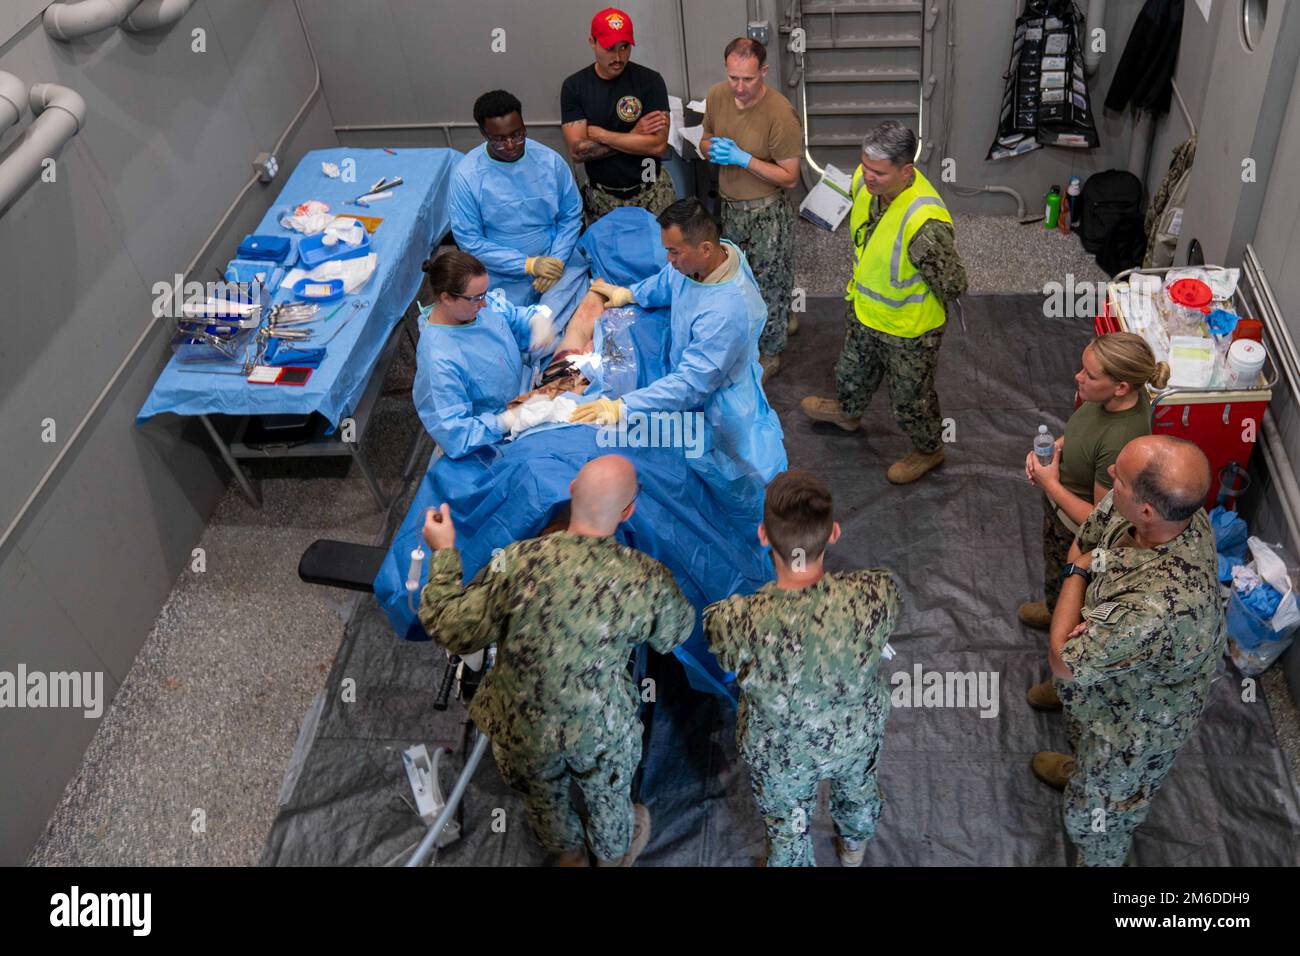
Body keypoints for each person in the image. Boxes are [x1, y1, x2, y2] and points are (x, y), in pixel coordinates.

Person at [417, 455, 696, 867]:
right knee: (609, 793)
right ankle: (611, 854)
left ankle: (568, 854)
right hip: (599, 728)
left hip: (522, 724)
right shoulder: (646, 578)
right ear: (627, 512)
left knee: (541, 794)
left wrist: (443, 553)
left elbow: (451, 627)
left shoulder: (515, 561)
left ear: (571, 491)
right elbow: (675, 633)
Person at [1033, 435, 1224, 867]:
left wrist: (1076, 573)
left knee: (1100, 814)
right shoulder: (1173, 514)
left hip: (1132, 727)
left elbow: (1063, 661)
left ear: (1148, 510)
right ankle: (1082, 769)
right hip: (1107, 683)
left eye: (1118, 479)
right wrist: (1084, 570)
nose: (1109, 477)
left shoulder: (1156, 607)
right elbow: (1087, 540)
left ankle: (1099, 856)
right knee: (1084, 738)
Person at [704, 470, 899, 867]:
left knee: (788, 826)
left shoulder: (733, 620)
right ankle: (853, 848)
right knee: (858, 790)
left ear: (763, 536)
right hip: (853, 735)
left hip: (781, 751)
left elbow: (724, 656)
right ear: (834, 533)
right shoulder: (875, 594)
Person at [565, 198, 787, 514]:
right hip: (696, 380)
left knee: (733, 478)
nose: (669, 260)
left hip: (722, 404)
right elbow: (670, 281)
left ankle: (749, 518)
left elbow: (691, 384)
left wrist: (623, 406)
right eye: (667, 250)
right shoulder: (711, 258)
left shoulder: (726, 312)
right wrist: (631, 294)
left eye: (674, 252)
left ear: (705, 248)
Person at [800, 120, 967, 485]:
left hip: (908, 330)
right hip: (865, 312)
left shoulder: (923, 223)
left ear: (906, 171)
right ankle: (848, 413)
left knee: (911, 399)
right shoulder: (865, 184)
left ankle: (928, 450)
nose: (868, 176)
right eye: (865, 166)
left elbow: (954, 284)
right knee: (851, 373)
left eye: (878, 172)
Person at [1022, 333, 1168, 711]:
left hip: (1076, 534)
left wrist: (1050, 484)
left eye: (1089, 374)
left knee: (1074, 607)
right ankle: (1054, 605)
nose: (1078, 377)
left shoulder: (1121, 441)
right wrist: (1058, 447)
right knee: (1056, 581)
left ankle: (1063, 686)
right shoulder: (1108, 400)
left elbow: (1098, 519)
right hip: (1060, 515)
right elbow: (1083, 431)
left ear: (1121, 387)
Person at [699, 37, 802, 382]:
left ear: (764, 71)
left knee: (771, 282)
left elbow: (790, 176)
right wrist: (710, 147)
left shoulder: (780, 113)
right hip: (731, 208)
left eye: (748, 79)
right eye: (733, 78)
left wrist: (745, 159)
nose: (739, 87)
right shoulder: (717, 96)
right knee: (740, 279)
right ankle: (777, 319)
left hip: (766, 213)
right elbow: (705, 137)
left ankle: (771, 351)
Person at [412, 251, 556, 458]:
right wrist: (505, 420)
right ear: (446, 298)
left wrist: (536, 321)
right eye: (477, 298)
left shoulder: (478, 305)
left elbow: (513, 317)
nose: (485, 303)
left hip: (525, 399)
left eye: (485, 294)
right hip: (493, 439)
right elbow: (455, 434)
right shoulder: (438, 360)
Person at [449, 89, 583, 306]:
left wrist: (556, 261)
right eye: (499, 140)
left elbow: (570, 216)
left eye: (518, 135)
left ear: (524, 126)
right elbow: (470, 241)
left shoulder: (550, 162)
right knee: (503, 320)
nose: (511, 145)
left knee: (566, 314)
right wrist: (527, 264)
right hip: (499, 271)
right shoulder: (467, 176)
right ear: (484, 134)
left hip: (556, 256)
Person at [561, 8, 676, 221]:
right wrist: (634, 134)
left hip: (650, 191)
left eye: (624, 47)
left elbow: (657, 146)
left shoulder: (650, 81)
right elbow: (578, 152)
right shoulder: (575, 87)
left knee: (660, 244)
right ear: (592, 42)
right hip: (602, 198)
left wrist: (601, 135)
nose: (618, 57)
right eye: (609, 48)